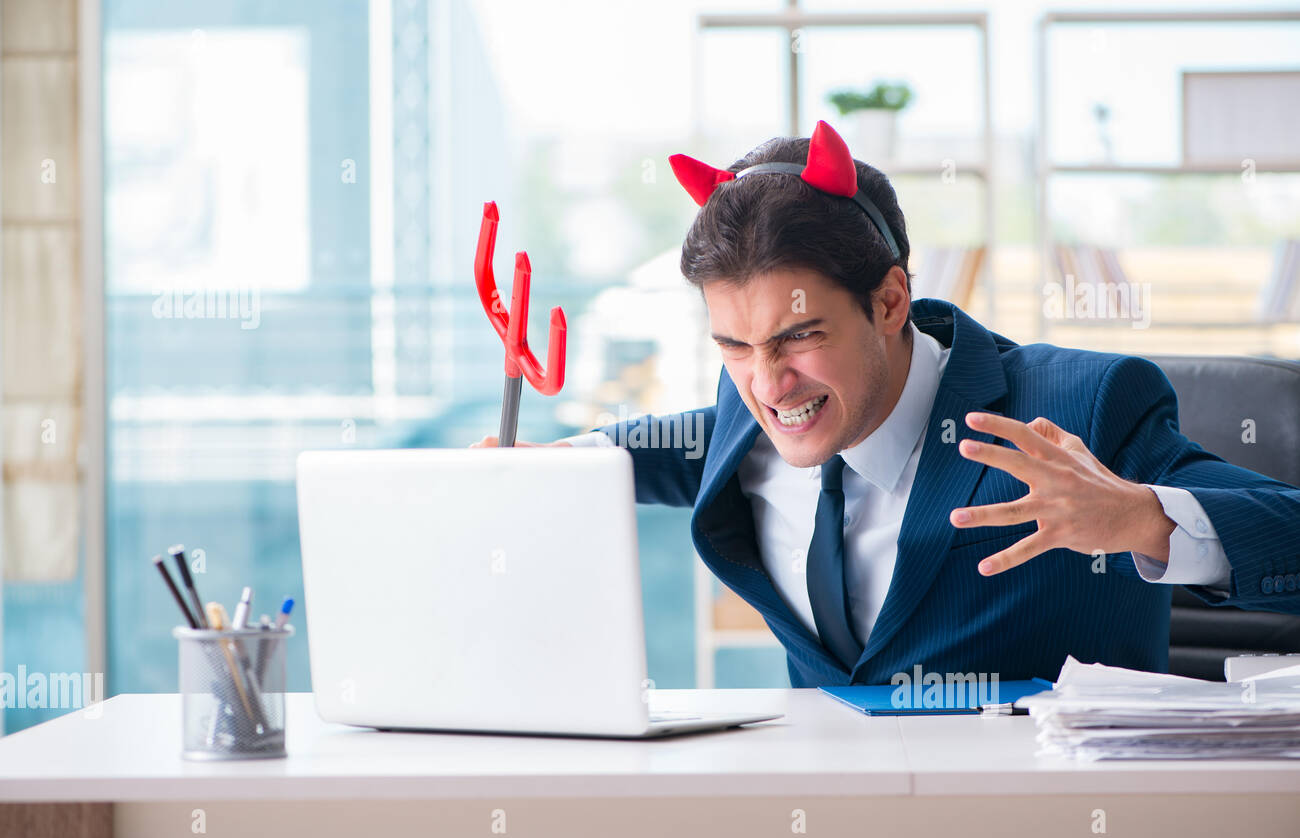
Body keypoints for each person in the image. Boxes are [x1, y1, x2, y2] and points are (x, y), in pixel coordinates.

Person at [476, 120, 1300, 688]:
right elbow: (669, 446)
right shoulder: (749, 411)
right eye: (733, 346)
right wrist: (554, 465)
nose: (767, 387)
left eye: (798, 337)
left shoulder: (1080, 407)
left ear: (891, 300)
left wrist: (1139, 517)